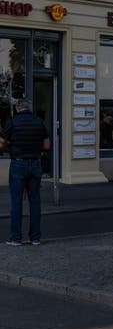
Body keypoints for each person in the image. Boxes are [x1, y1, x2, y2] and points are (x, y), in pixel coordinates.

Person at [0, 98, 50, 245]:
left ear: (17, 109)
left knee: (16, 202)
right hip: (35, 164)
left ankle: (16, 238)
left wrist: (8, 145)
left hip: (18, 164)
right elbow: (47, 145)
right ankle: (35, 238)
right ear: (29, 108)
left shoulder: (12, 122)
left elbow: (2, 142)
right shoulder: (39, 121)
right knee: (35, 202)